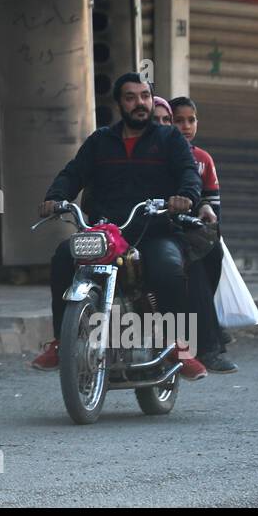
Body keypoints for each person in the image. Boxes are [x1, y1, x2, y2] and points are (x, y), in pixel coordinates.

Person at [30, 73, 207, 380]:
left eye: (145, 96)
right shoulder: (100, 141)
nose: (140, 103)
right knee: (62, 258)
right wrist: (56, 197)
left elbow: (188, 173)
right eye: (131, 97)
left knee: (168, 268)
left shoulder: (169, 139)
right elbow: (73, 173)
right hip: (104, 230)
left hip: (153, 229)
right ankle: (61, 341)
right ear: (119, 103)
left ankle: (177, 343)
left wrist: (186, 197)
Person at [169, 96, 237, 373]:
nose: (185, 126)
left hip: (192, 228)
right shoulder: (158, 156)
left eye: (191, 120)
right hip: (160, 228)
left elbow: (213, 202)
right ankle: (208, 341)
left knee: (212, 251)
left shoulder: (202, 159)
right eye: (178, 120)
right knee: (192, 266)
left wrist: (204, 209)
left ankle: (210, 324)